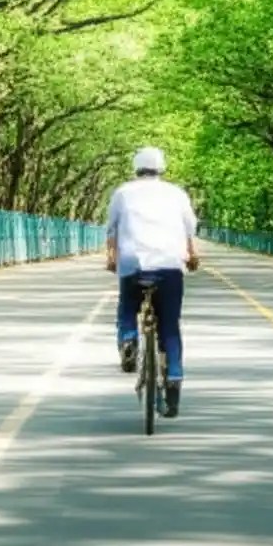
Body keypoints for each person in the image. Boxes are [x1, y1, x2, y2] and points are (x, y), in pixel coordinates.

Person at [104, 146, 199, 418]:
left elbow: (111, 230)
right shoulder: (177, 194)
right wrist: (192, 257)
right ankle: (174, 378)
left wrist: (112, 259)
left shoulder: (122, 193)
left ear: (136, 168)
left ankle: (129, 338)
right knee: (169, 326)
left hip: (133, 264)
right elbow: (189, 231)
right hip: (169, 266)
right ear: (161, 169)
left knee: (126, 308)